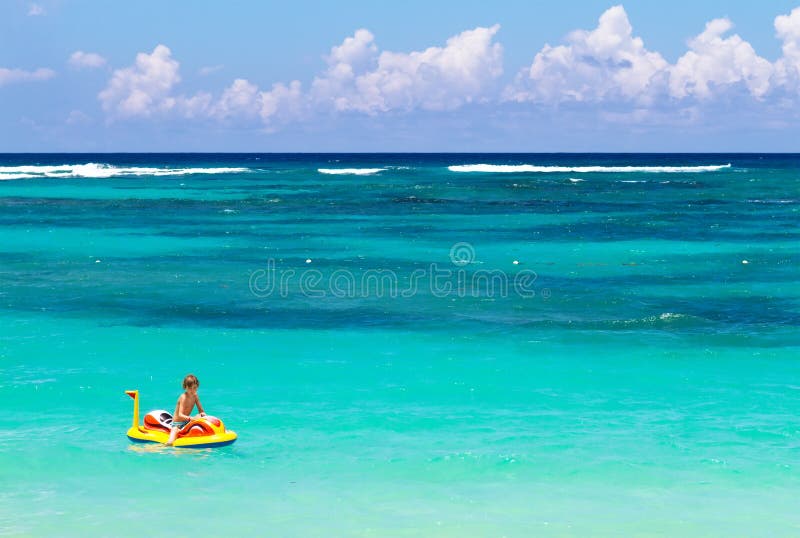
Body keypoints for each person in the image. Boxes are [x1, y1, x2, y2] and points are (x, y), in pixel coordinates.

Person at [166, 374, 206, 446]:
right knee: (172, 439)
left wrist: (203, 415)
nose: (192, 390)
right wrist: (192, 418)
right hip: (177, 423)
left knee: (199, 416)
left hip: (187, 421)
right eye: (190, 388)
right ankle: (167, 443)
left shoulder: (195, 396)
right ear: (185, 387)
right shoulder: (183, 397)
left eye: (194, 387)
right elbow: (180, 415)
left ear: (197, 386)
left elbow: (201, 411)